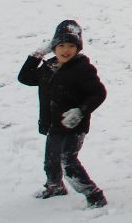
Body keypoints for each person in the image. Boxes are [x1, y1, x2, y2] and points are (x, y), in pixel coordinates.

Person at [18, 20, 107, 208]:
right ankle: (55, 186)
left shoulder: (82, 69)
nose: (66, 50)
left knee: (68, 161)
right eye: (61, 45)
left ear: (78, 48)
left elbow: (99, 93)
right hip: (53, 124)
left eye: (71, 46)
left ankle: (94, 195)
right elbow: (24, 77)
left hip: (74, 126)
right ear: (53, 48)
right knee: (51, 159)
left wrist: (80, 111)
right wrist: (37, 55)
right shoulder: (48, 67)